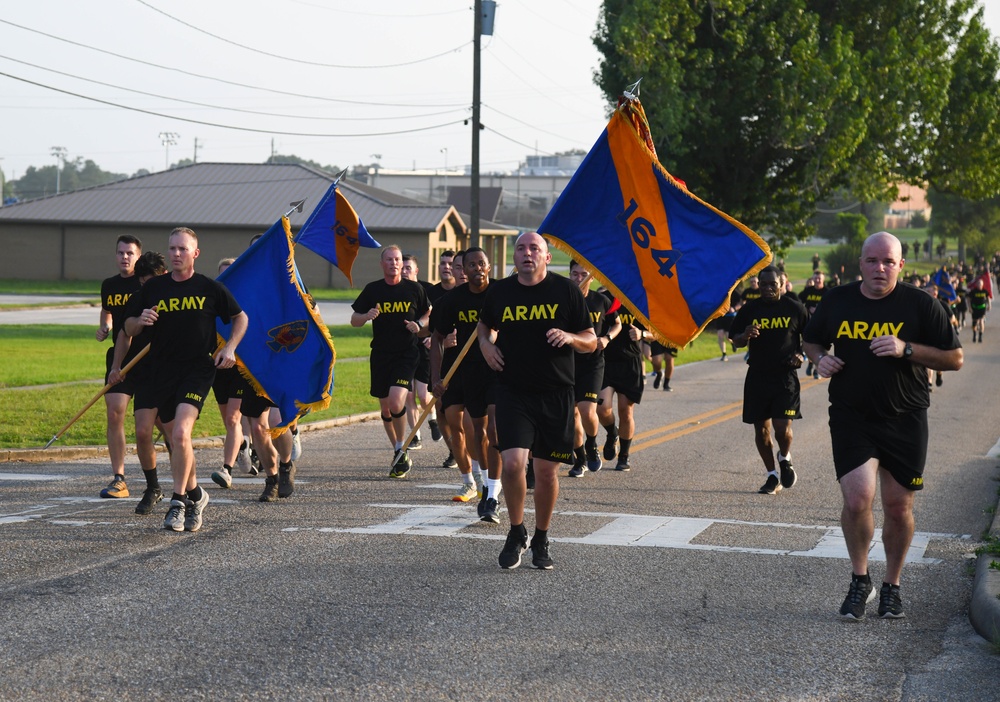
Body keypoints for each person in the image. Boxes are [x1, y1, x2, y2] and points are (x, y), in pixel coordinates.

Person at [803, 232, 962, 621]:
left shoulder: (922, 305)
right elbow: (811, 340)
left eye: (888, 262)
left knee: (897, 505)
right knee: (857, 499)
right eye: (873, 261)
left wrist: (906, 349)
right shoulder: (837, 300)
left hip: (905, 416)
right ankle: (860, 580)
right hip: (851, 415)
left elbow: (954, 358)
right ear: (860, 263)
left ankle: (892, 586)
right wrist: (820, 358)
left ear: (901, 265)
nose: (880, 268)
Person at [478, 232, 596, 569]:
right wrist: (486, 346)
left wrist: (570, 337)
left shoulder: (566, 291)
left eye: (535, 248)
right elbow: (484, 326)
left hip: (556, 393)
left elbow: (590, 339)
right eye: (521, 248)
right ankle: (516, 531)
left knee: (545, 473)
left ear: (546, 257)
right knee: (514, 464)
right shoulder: (500, 291)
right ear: (514, 257)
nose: (527, 253)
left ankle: (541, 536)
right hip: (512, 390)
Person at [124, 227, 248, 533]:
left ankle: (178, 503)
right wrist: (138, 321)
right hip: (159, 371)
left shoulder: (209, 288)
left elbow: (240, 317)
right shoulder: (154, 288)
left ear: (195, 253)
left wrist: (230, 347)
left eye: (183, 249)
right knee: (175, 439)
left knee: (180, 433)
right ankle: (196, 494)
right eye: (172, 249)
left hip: (196, 370)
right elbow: (127, 324)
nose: (177, 254)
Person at [430, 247, 500, 515]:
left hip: (497, 370)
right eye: (471, 265)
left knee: (492, 430)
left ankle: (491, 493)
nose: (477, 269)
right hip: (465, 371)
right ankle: (477, 481)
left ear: (489, 266)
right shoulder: (452, 301)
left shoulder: (500, 293)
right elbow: (436, 336)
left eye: (482, 263)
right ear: (464, 270)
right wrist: (436, 377)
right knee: (476, 432)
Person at [351, 245, 430, 477]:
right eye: (390, 260)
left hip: (407, 353)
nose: (395, 263)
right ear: (382, 264)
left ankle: (402, 445)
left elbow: (428, 312)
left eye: (397, 260)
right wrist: (366, 316)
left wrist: (420, 325)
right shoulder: (373, 290)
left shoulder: (414, 289)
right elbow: (354, 319)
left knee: (397, 401)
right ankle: (398, 448)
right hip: (381, 354)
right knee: (385, 407)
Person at [729, 266, 809, 494]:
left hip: (785, 377)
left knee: (782, 428)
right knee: (762, 430)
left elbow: (812, 335)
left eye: (772, 284)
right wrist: (744, 335)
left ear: (782, 284)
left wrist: (800, 353)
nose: (767, 288)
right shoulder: (750, 309)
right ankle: (772, 476)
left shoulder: (795, 308)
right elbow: (735, 339)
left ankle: (784, 457)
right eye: (763, 284)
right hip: (758, 376)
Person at [108, 250, 167, 515]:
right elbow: (125, 332)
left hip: (173, 372)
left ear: (163, 275)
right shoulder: (137, 299)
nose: (146, 286)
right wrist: (116, 367)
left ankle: (187, 490)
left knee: (175, 434)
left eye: (150, 280)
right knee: (143, 431)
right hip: (143, 372)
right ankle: (153, 487)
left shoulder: (178, 296)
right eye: (142, 282)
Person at [96, 234, 143, 499]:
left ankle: (180, 473)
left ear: (138, 256)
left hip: (147, 358)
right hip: (118, 359)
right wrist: (105, 326)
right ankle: (119, 478)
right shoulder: (109, 284)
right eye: (120, 253)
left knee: (158, 420)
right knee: (115, 413)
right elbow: (108, 310)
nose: (124, 257)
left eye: (129, 253)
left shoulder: (146, 283)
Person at [567, 260, 620, 477]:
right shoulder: (563, 300)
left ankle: (591, 445)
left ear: (592, 277)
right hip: (567, 364)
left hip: (593, 363)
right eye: (575, 274)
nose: (579, 279)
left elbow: (617, 324)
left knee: (588, 410)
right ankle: (580, 458)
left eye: (583, 274)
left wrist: (607, 338)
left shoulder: (601, 300)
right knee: (571, 416)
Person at [209, 257, 253, 489]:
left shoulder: (245, 303)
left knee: (233, 417)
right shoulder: (212, 301)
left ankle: (226, 469)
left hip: (240, 366)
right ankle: (241, 446)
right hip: (217, 366)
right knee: (228, 420)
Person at [598, 296, 651, 472]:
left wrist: (642, 334)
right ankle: (612, 432)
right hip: (606, 362)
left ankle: (624, 456)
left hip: (630, 364)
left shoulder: (638, 302)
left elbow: (657, 334)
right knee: (602, 408)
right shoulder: (604, 299)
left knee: (625, 410)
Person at [401, 254, 437, 451]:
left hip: (424, 347)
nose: (404, 271)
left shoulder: (427, 289)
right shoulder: (396, 290)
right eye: (402, 267)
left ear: (416, 270)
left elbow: (435, 315)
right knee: (408, 395)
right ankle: (415, 435)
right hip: (405, 349)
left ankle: (432, 417)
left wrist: (431, 335)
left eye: (408, 268)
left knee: (423, 396)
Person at [800, 270, 828, 378]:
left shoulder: (827, 292)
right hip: (809, 323)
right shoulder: (808, 291)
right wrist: (807, 309)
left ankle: (817, 369)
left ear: (823, 280)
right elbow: (799, 302)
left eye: (819, 278)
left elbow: (831, 307)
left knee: (821, 346)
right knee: (810, 345)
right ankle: (811, 363)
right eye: (815, 278)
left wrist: (819, 310)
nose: (817, 280)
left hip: (822, 324)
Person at [967, 277, 990, 343]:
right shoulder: (973, 291)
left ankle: (980, 336)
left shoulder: (985, 291)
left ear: (982, 284)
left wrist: (989, 305)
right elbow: (968, 299)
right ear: (976, 284)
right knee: (974, 322)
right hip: (975, 308)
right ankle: (974, 334)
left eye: (980, 283)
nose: (979, 285)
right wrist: (970, 308)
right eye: (978, 283)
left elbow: (988, 298)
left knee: (981, 321)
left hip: (982, 308)